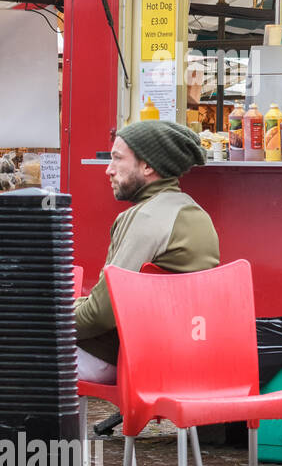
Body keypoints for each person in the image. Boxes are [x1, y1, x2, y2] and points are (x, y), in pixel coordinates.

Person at [75, 120, 218, 384]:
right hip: (182, 356)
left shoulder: (147, 217)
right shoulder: (196, 213)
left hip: (118, 359)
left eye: (118, 159)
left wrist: (44, 325)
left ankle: (29, 428)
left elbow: (101, 313)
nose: (109, 170)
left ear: (148, 165)